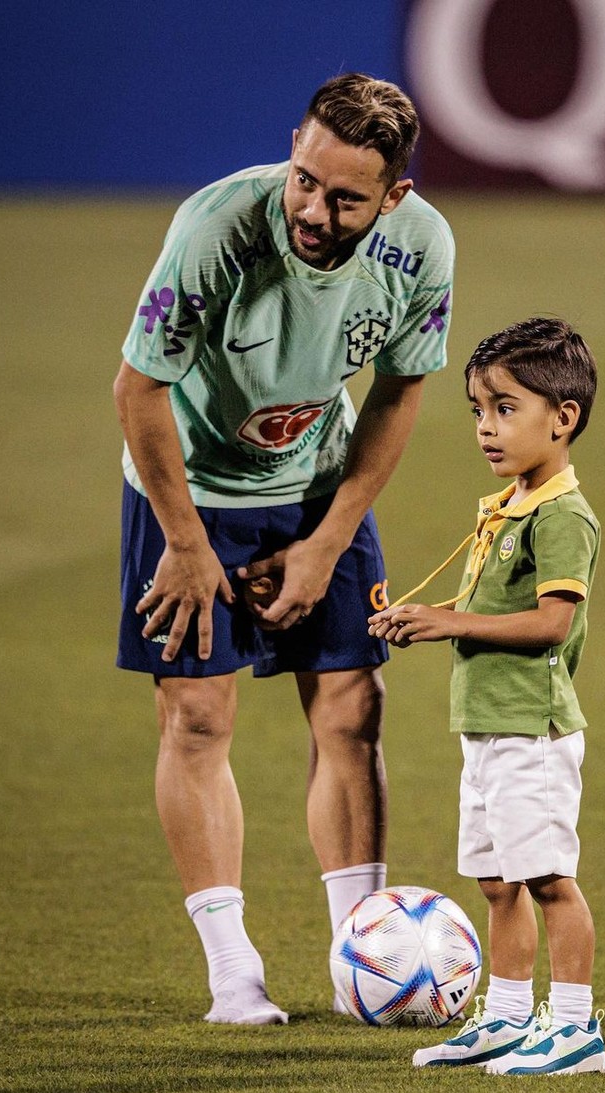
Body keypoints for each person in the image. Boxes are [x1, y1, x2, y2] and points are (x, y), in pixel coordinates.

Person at [113, 73, 455, 1025]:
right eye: (304, 178)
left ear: (394, 198)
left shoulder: (422, 246)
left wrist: (328, 540)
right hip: (190, 484)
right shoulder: (216, 228)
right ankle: (233, 973)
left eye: (345, 196)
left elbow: (398, 392)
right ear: (293, 146)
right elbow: (137, 392)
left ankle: (362, 960)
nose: (311, 207)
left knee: (353, 707)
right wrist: (185, 544)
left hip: (315, 479)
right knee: (197, 721)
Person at [369, 317, 605, 1076]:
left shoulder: (563, 513)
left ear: (562, 418)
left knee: (547, 879)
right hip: (486, 727)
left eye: (505, 407)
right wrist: (423, 616)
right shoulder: (511, 501)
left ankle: (575, 1032)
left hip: (530, 732)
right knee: (498, 880)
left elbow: (550, 622)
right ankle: (507, 1019)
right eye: (477, 409)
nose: (486, 426)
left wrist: (447, 620)